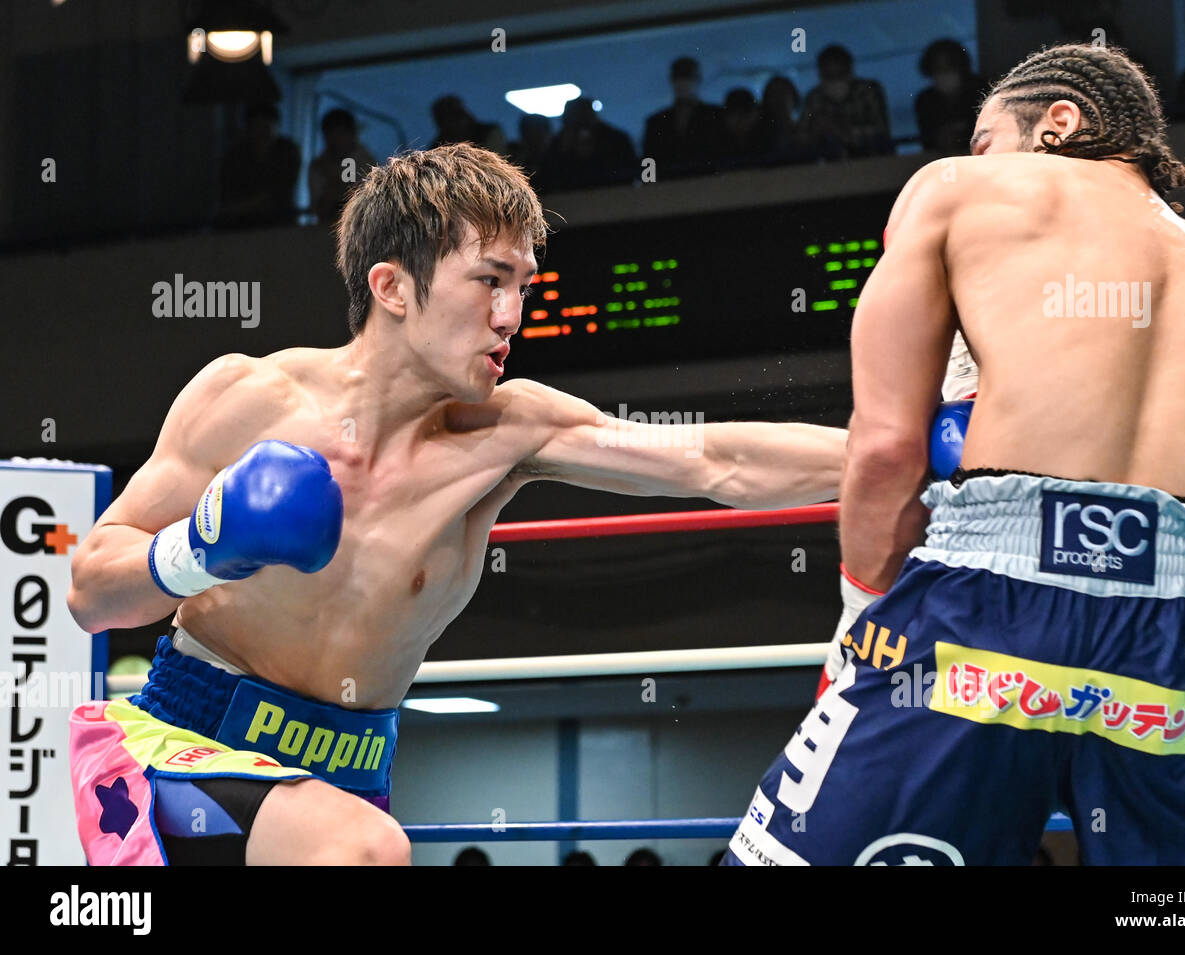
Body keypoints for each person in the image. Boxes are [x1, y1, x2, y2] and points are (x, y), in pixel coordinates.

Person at [64, 143, 847, 866]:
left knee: (362, 841)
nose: (511, 316)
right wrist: (200, 547)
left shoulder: (509, 430)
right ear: (392, 286)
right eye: (489, 280)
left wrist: (897, 454)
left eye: (523, 288)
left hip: (346, 778)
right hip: (187, 750)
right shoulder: (247, 398)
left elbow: (715, 460)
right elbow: (90, 592)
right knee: (366, 850)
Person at [724, 43, 1185, 866]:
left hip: (992, 603)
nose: (975, 157)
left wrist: (862, 622)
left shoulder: (958, 191)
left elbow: (885, 448)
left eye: (986, 139)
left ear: (1058, 122)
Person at [216, 102, 301, 228]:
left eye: (266, 126)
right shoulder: (236, 155)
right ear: (249, 128)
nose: (261, 132)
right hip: (243, 225)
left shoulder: (287, 151)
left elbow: (282, 189)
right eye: (257, 126)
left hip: (280, 222)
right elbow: (228, 193)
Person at [800, 44, 892, 159]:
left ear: (850, 70)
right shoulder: (814, 98)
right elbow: (803, 137)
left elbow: (881, 130)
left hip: (872, 160)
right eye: (829, 75)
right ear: (820, 74)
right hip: (831, 167)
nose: (835, 80)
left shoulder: (868, 91)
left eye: (840, 74)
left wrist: (842, 130)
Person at [642, 57, 726, 178]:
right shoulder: (656, 122)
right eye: (678, 78)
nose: (682, 83)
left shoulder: (716, 116)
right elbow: (648, 162)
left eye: (687, 77)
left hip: (709, 185)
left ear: (698, 80)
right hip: (669, 188)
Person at [534, 97, 637, 192]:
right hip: (569, 203)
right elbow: (547, 181)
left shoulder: (615, 140)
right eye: (575, 122)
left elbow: (630, 173)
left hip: (616, 199)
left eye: (585, 119)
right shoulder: (558, 145)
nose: (581, 130)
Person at [914, 39, 985, 155]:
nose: (944, 72)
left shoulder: (982, 90)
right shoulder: (925, 101)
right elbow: (927, 141)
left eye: (949, 66)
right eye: (938, 68)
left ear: (961, 67)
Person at [308, 108, 377, 227]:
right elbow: (319, 208)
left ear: (352, 134)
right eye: (331, 134)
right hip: (326, 230)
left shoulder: (366, 163)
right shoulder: (318, 166)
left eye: (340, 134)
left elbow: (367, 202)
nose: (335, 141)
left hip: (361, 229)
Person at [428, 95, 507, 154]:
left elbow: (496, 159)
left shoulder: (489, 132)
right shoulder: (437, 146)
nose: (453, 121)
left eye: (456, 114)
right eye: (444, 117)